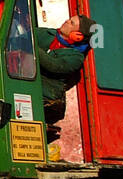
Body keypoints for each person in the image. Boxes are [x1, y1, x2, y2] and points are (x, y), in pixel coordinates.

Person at [36, 13, 94, 144]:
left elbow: (53, 65)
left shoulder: (76, 58)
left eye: (72, 23)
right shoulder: (46, 34)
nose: (66, 21)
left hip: (47, 96)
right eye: (69, 19)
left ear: (78, 36)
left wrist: (30, 46)